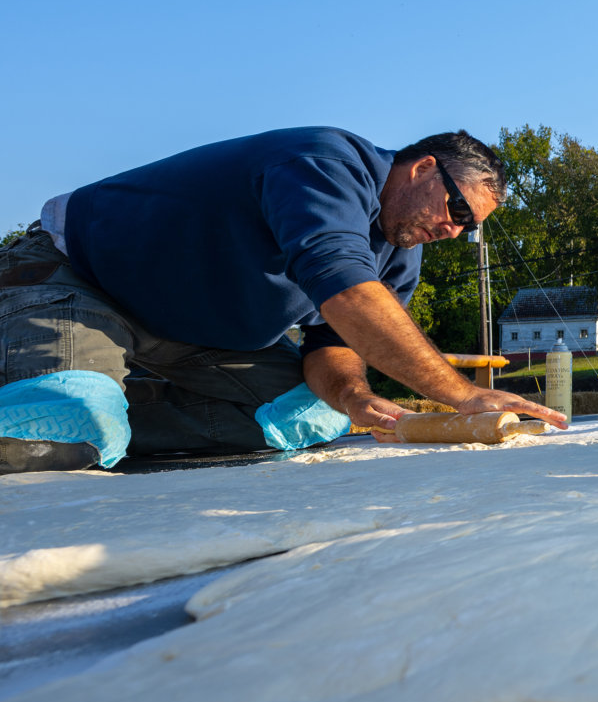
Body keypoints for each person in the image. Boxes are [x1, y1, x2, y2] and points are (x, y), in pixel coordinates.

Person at [0, 127, 567, 474]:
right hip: (82, 276)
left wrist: (354, 396)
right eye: (459, 212)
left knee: (310, 416)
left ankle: (114, 409)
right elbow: (342, 288)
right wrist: (461, 395)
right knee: (64, 427)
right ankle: (86, 409)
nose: (455, 232)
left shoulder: (397, 252)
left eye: (468, 228)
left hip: (194, 335)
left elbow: (333, 343)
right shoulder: (326, 163)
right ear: (423, 168)